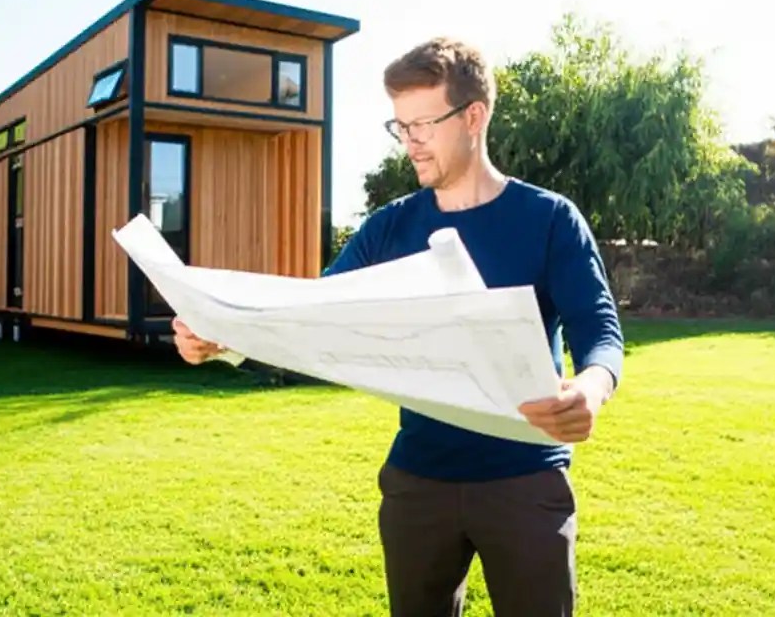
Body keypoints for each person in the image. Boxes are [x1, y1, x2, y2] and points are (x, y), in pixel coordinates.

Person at [172, 37, 624, 616]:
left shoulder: (549, 219)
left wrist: (590, 389)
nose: (409, 142)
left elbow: (601, 332)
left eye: (422, 124)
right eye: (400, 126)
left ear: (474, 117)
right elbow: (313, 317)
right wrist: (224, 336)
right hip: (417, 482)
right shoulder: (389, 228)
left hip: (525, 479)